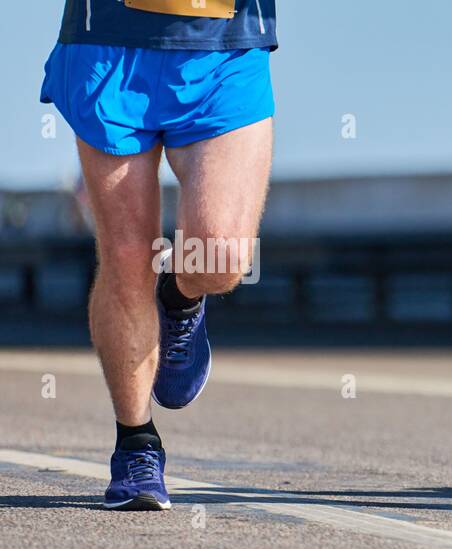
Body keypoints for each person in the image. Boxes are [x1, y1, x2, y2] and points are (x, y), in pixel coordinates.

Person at [41, 0, 277, 510]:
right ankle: (136, 444)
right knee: (127, 257)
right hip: (107, 42)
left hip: (225, 45)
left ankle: (181, 298)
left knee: (222, 256)